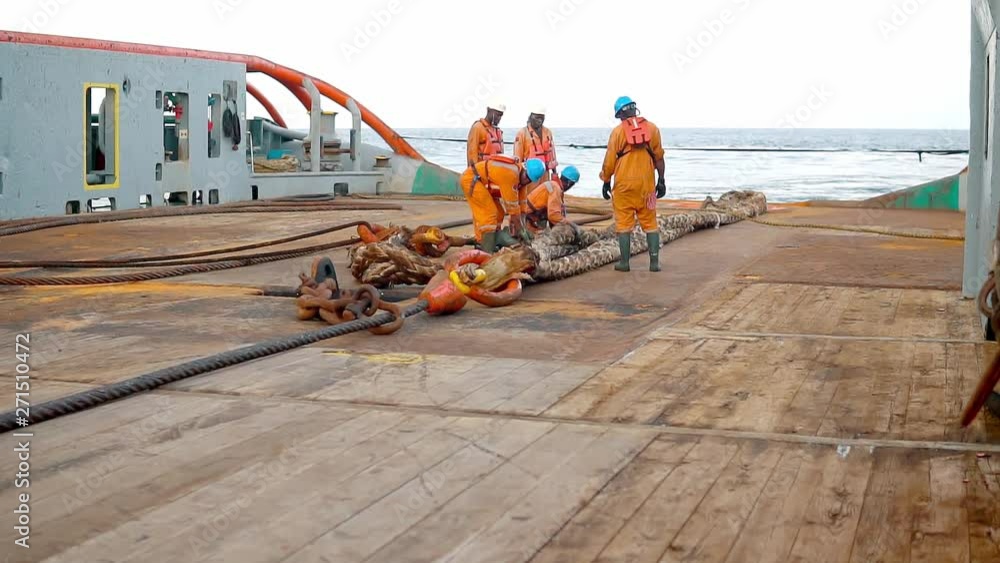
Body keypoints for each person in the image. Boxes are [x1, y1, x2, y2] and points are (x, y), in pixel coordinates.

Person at [600, 96, 666, 272]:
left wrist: (606, 181)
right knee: (650, 223)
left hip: (624, 187)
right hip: (647, 185)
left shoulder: (617, 132)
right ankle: (654, 263)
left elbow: (609, 162)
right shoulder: (652, 128)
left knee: (624, 224)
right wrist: (661, 180)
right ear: (634, 109)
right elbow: (659, 158)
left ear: (620, 113)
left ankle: (624, 263)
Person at [460, 156, 547, 252]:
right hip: (472, 180)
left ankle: (492, 241)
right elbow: (513, 211)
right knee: (489, 215)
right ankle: (486, 250)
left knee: (499, 213)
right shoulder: (511, 175)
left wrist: (524, 229)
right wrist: (521, 230)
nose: (527, 181)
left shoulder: (522, 180)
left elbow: (522, 207)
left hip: (484, 184)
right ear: (523, 168)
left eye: (530, 180)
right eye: (527, 177)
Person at [514, 107, 558, 216]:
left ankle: (541, 220)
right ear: (531, 117)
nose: (539, 120)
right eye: (537, 117)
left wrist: (555, 173)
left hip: (545, 173)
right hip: (529, 176)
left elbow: (552, 152)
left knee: (544, 197)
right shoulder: (522, 133)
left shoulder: (548, 132)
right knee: (530, 200)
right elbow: (517, 158)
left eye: (542, 118)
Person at [526, 165, 579, 232]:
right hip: (525, 218)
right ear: (569, 183)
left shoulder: (555, 185)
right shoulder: (555, 189)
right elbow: (553, 216)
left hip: (529, 215)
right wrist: (569, 224)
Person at [467, 99, 506, 168]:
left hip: (495, 172)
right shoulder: (478, 127)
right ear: (489, 110)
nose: (499, 118)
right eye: (497, 114)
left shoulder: (497, 131)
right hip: (482, 171)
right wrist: (474, 173)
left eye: (501, 115)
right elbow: (472, 153)